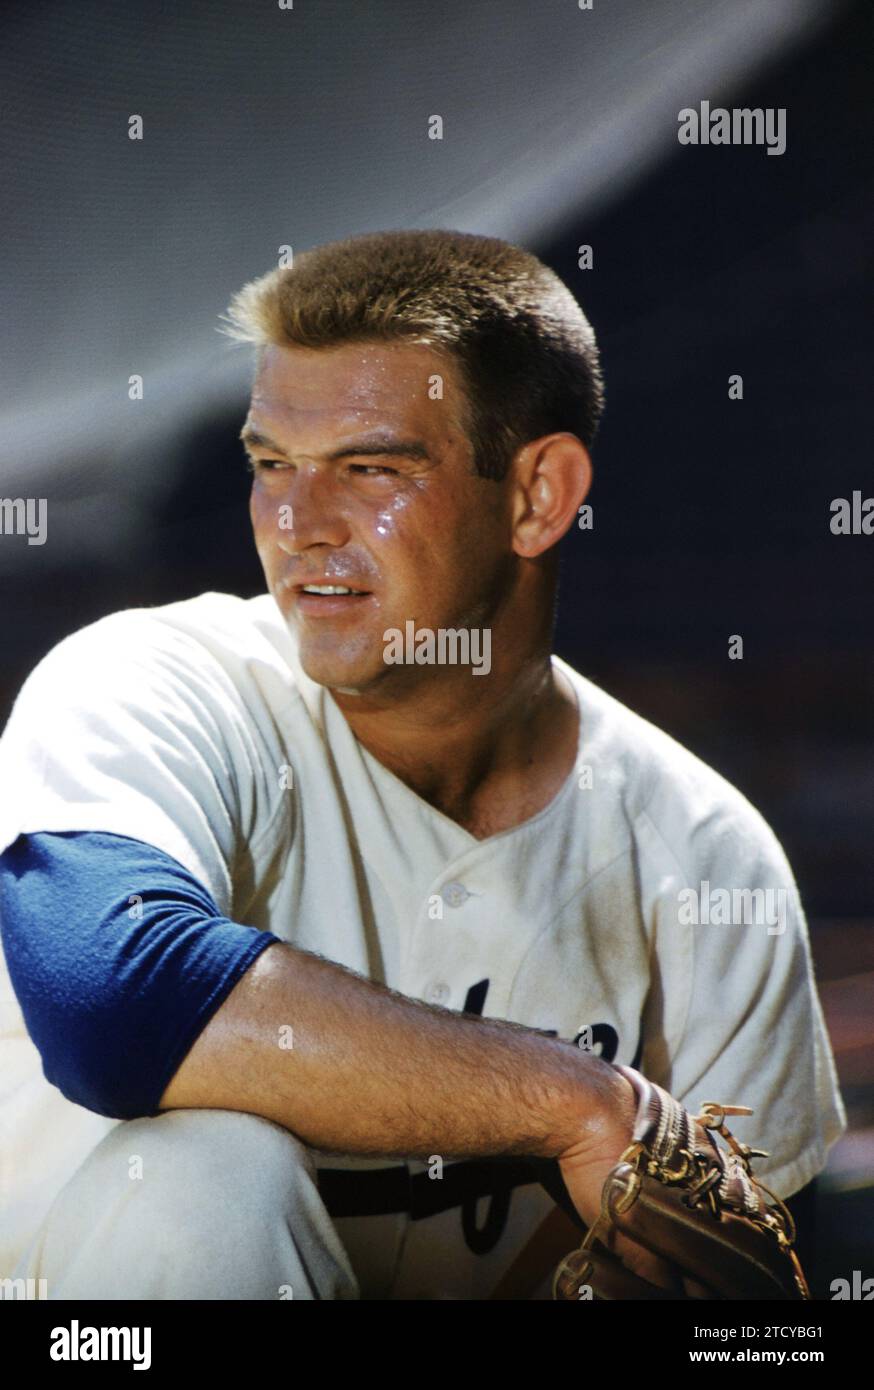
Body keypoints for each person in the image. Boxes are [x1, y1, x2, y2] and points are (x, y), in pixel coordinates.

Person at [0, 229, 845, 1300]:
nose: (297, 525)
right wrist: (576, 1101)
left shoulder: (704, 851)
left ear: (537, 494)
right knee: (202, 1177)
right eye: (271, 466)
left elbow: (766, 1302)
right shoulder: (155, 682)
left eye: (369, 468)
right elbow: (109, 998)